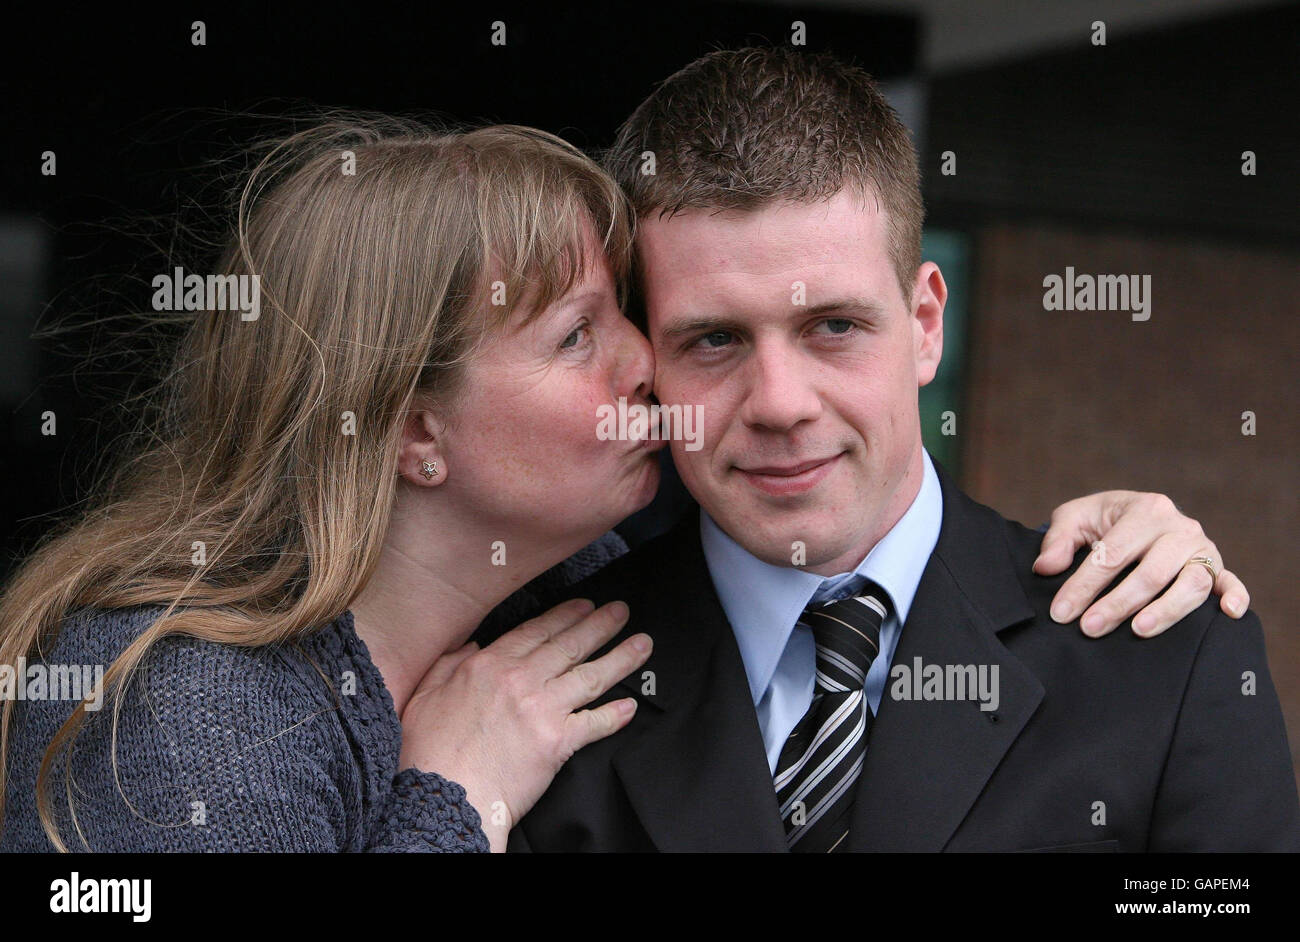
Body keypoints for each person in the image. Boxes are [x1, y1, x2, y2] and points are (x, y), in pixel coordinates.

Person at [0, 113, 1257, 855]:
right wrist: (449, 804)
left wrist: (1137, 522)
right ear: (414, 433)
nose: (647, 366)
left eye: (833, 325)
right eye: (579, 335)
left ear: (924, 323)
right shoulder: (191, 715)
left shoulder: (566, 598)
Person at [496, 47, 1300, 852]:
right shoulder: (531, 701)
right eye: (714, 340)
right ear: (648, 361)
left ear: (925, 326)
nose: (779, 403)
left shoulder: (1166, 655)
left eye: (833, 326)